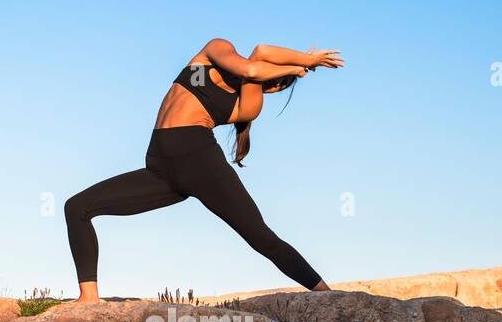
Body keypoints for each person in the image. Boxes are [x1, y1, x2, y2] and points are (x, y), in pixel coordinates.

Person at [63, 38, 344, 302]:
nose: (274, 85)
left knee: (261, 237)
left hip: (200, 163)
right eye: (277, 79)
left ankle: (327, 295)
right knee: (77, 207)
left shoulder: (246, 105)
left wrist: (291, 69)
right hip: (160, 168)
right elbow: (257, 56)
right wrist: (305, 60)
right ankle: (89, 298)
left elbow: (255, 70)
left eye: (280, 86)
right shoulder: (214, 51)